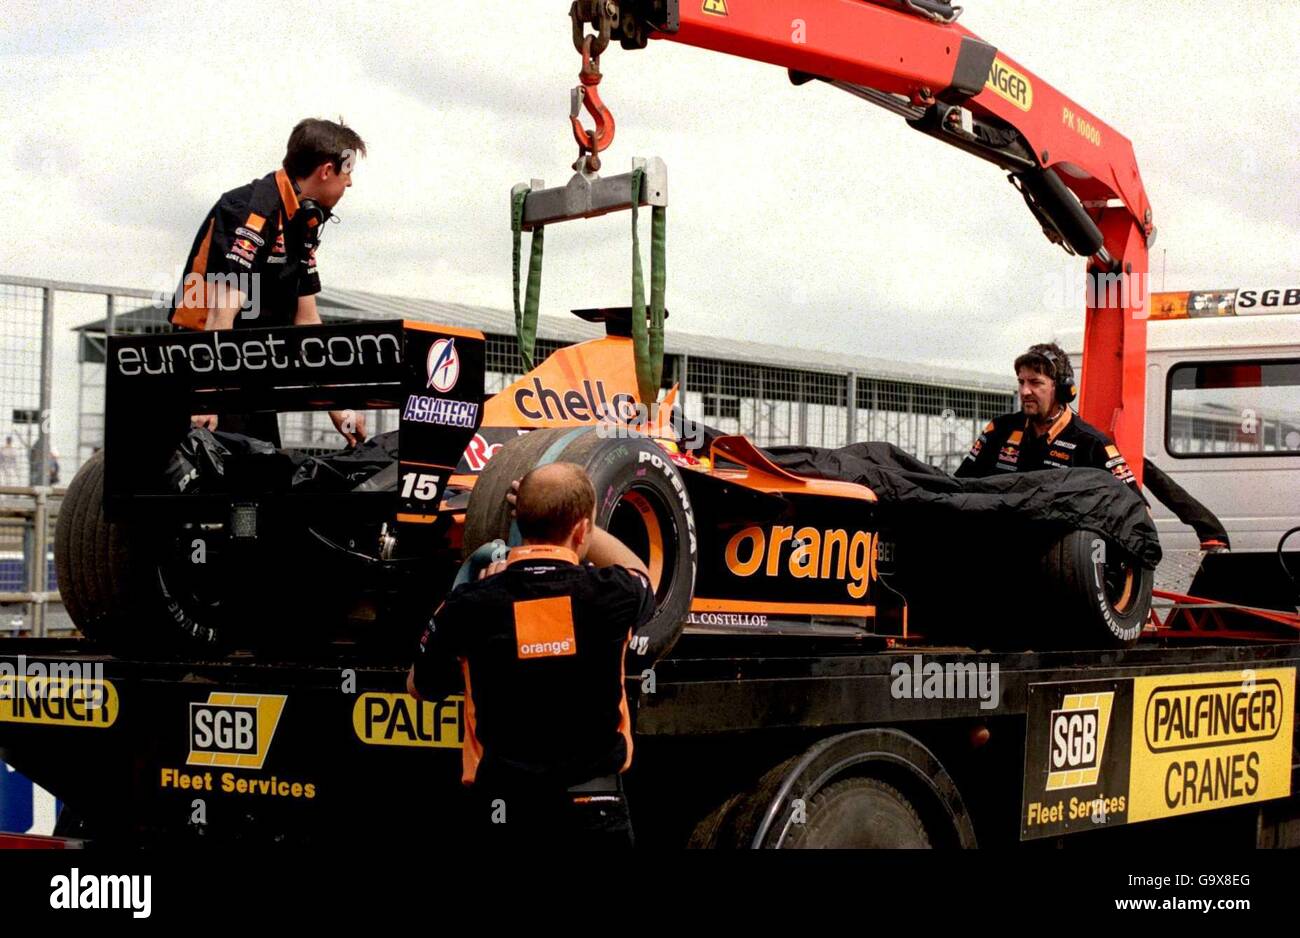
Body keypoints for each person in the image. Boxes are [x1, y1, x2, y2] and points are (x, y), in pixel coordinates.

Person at [407, 463, 655, 848]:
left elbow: (419, 687)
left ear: (520, 519)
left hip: (506, 806)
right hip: (593, 804)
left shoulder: (469, 603)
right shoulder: (614, 594)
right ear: (581, 529)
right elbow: (641, 572)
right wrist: (582, 517)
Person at [168, 117, 368, 447]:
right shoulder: (250, 210)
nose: (349, 184)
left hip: (251, 368)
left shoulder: (303, 221)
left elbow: (307, 321)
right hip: (204, 366)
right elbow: (221, 315)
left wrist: (338, 406)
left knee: (265, 471)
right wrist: (206, 397)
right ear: (327, 170)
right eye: (347, 173)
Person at [955, 342, 1138, 490]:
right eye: (1021, 382)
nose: (1025, 391)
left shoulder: (1091, 444)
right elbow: (960, 485)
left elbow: (1136, 510)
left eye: (1035, 382)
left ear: (1061, 390)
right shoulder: (1000, 430)